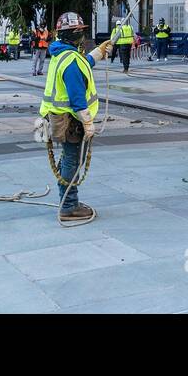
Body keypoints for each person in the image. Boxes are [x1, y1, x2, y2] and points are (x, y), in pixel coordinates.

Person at [41, 11, 112, 224]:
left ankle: (67, 201)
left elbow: (82, 65)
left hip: (61, 118)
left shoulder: (63, 54)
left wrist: (98, 53)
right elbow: (77, 97)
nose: (82, 35)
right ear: (73, 34)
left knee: (69, 159)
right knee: (72, 160)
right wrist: (88, 122)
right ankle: (69, 207)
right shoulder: (70, 59)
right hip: (71, 120)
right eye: (80, 31)